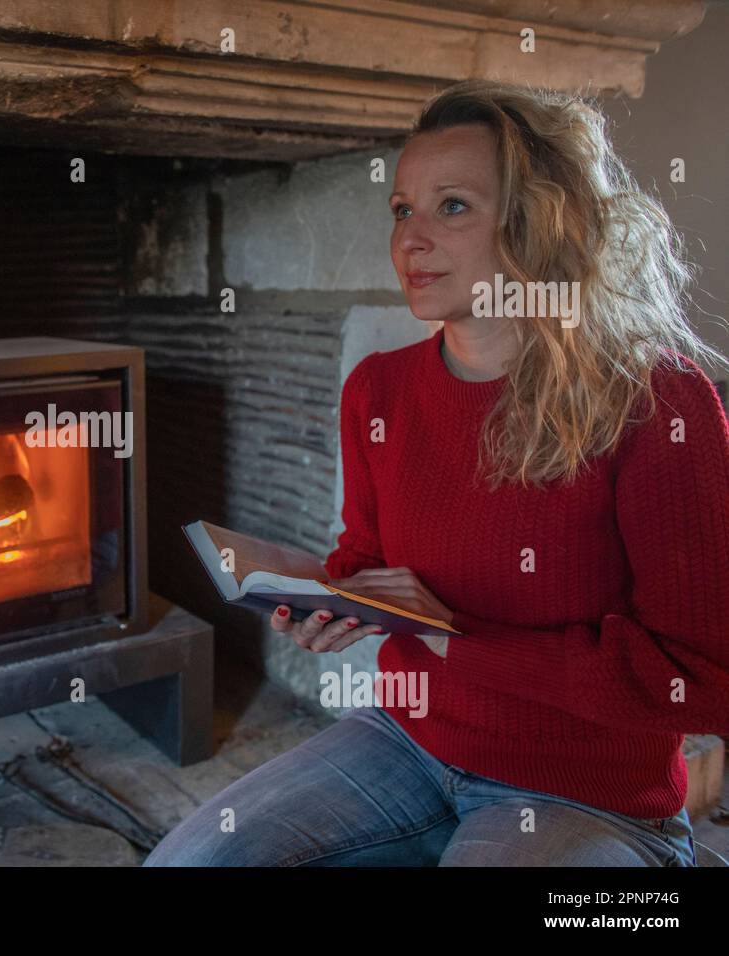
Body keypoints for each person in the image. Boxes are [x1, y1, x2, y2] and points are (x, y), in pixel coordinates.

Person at [143, 79, 729, 867]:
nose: (409, 241)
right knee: (188, 863)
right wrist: (333, 599)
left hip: (589, 795)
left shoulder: (657, 399)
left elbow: (702, 677)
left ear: (536, 222)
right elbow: (368, 557)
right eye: (402, 210)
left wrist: (456, 640)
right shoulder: (378, 390)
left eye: (452, 206)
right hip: (408, 742)